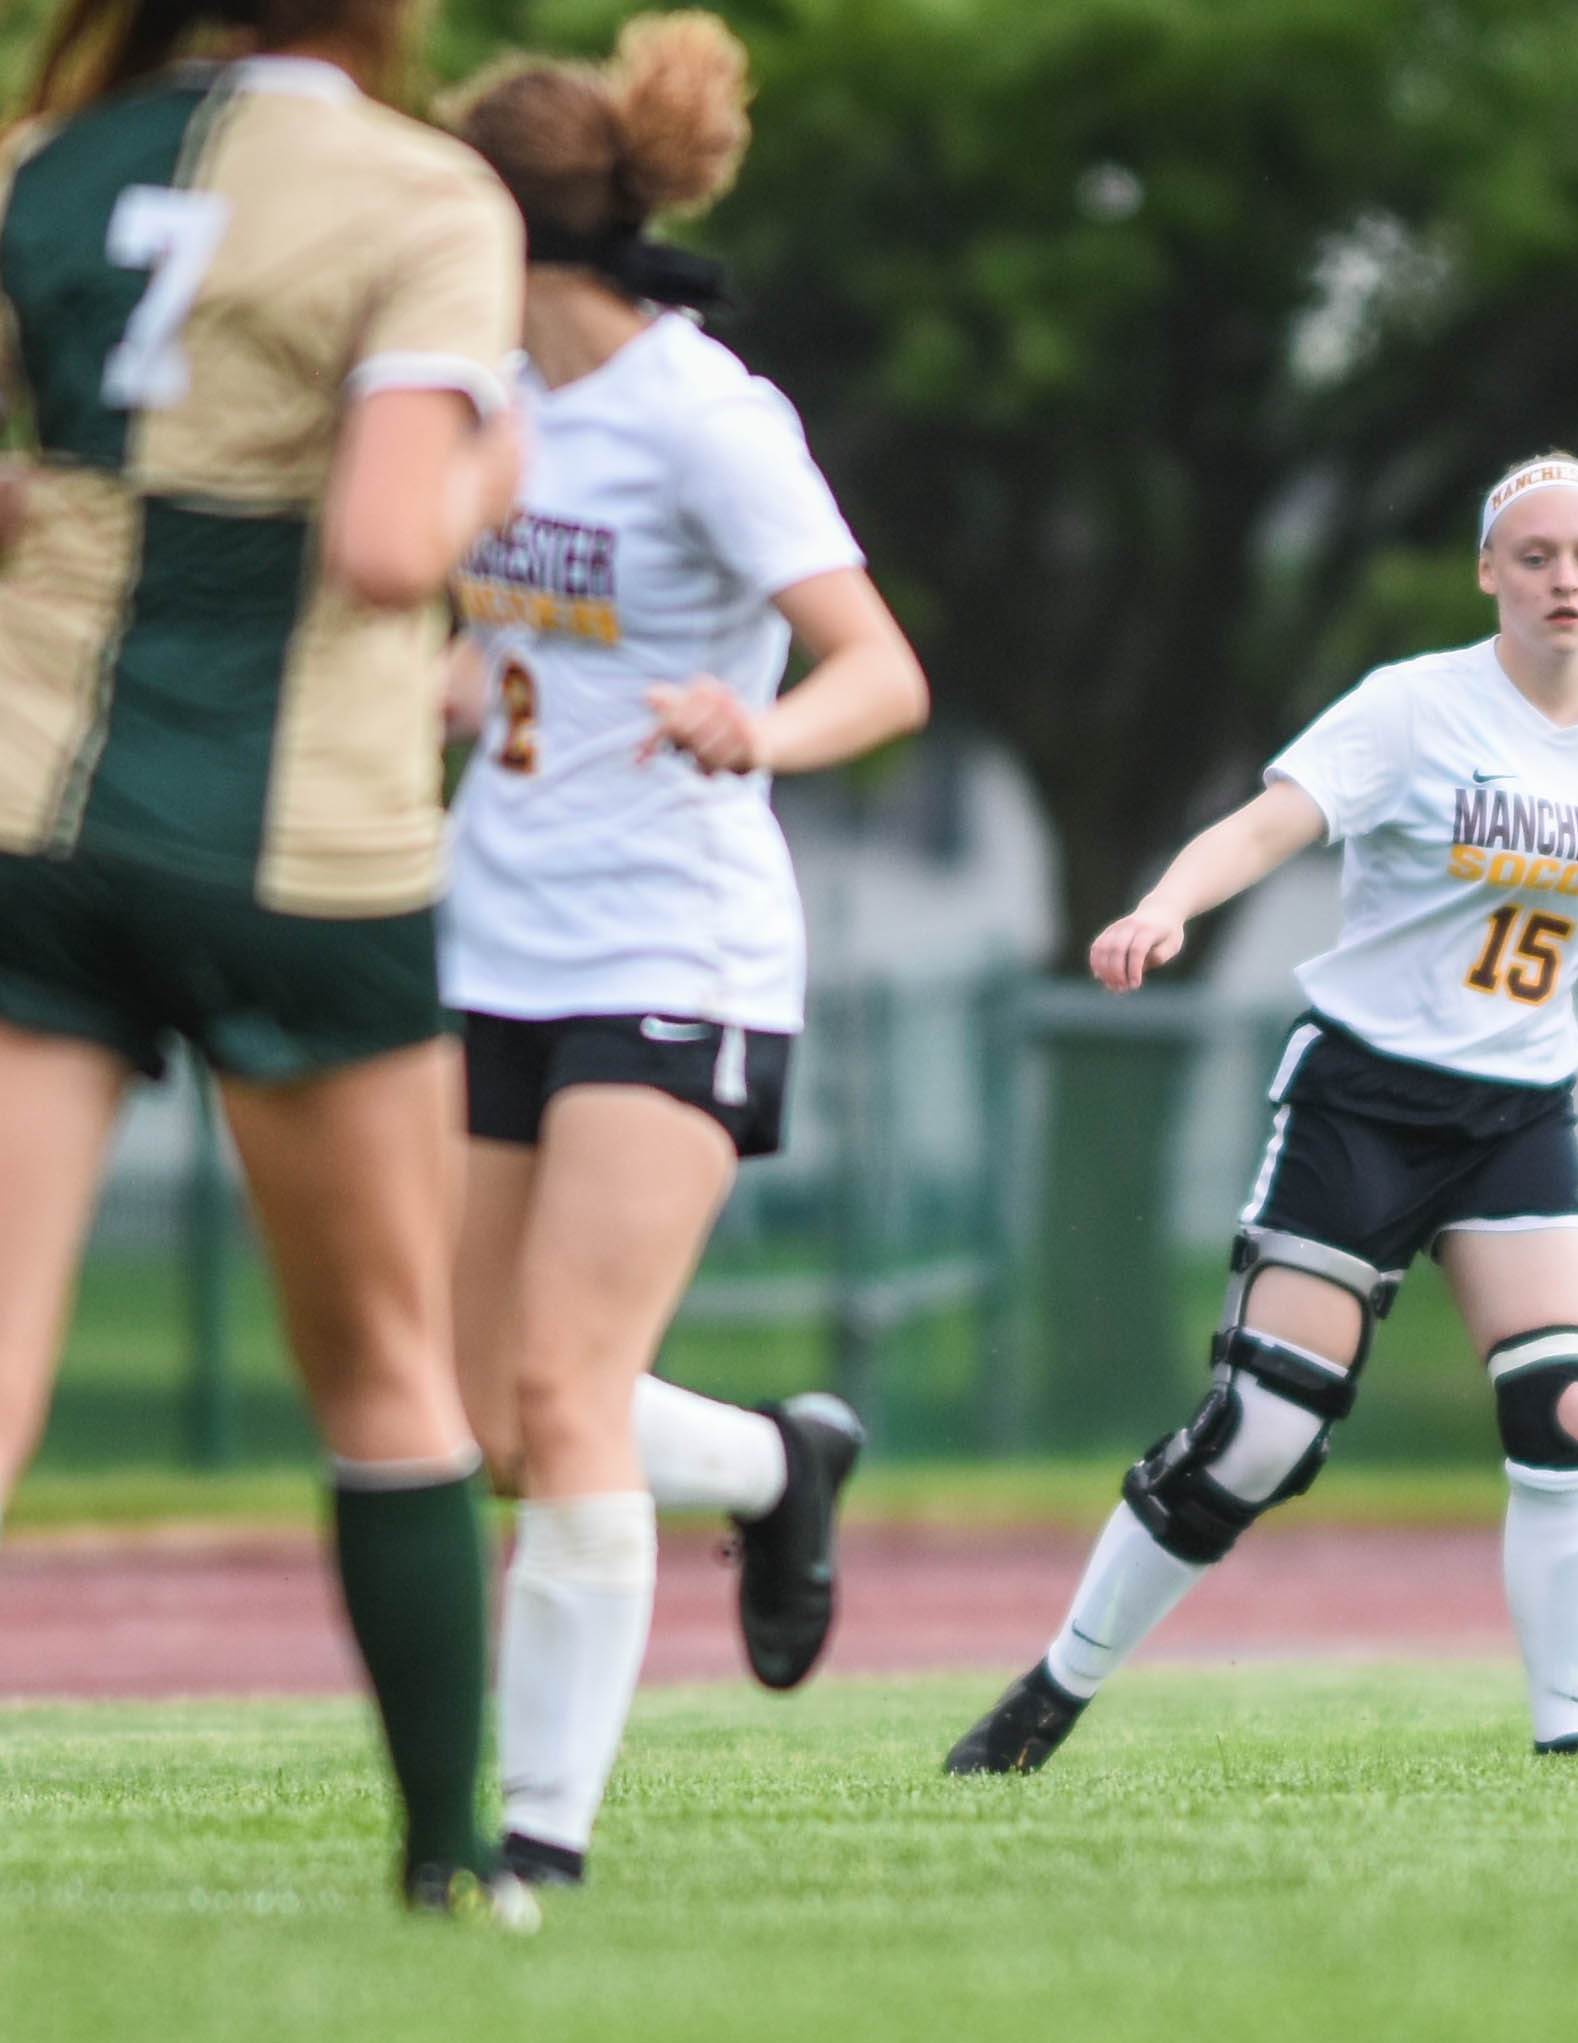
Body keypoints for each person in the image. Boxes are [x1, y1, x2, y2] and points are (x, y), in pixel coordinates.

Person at [943, 453, 1578, 1772]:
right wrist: (1167, 902)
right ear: (1490, 572)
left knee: (1569, 1411)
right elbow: (1267, 825)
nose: (1564, 580)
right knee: (1261, 1435)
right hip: (1364, 1095)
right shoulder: (1412, 709)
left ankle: (1571, 1748)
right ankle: (1048, 1697)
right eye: (1535, 556)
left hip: (1518, 1113)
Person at [0, 0, 536, 1917]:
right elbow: (396, 544)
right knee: (390, 1375)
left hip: (30, 814)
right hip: (300, 840)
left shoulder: (39, 168)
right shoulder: (420, 190)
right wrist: (497, 462)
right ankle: (448, 1864)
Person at [437, 15, 929, 1888]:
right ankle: (778, 1466)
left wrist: (764, 725)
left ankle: (538, 1850)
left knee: (563, 1392)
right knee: (493, 1416)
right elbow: (498, 641)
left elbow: (880, 669)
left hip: (677, 951)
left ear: (506, 222)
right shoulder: (478, 395)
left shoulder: (705, 414)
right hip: (496, 942)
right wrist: (448, 692)